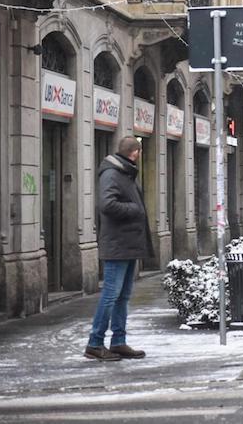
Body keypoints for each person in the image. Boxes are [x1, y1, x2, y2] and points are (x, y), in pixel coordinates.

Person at [85, 136, 154, 361]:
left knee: (123, 296)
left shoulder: (125, 173)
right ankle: (95, 343)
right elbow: (106, 204)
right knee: (110, 295)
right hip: (117, 244)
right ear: (135, 153)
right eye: (140, 152)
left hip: (127, 244)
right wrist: (135, 209)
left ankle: (118, 341)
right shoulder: (112, 174)